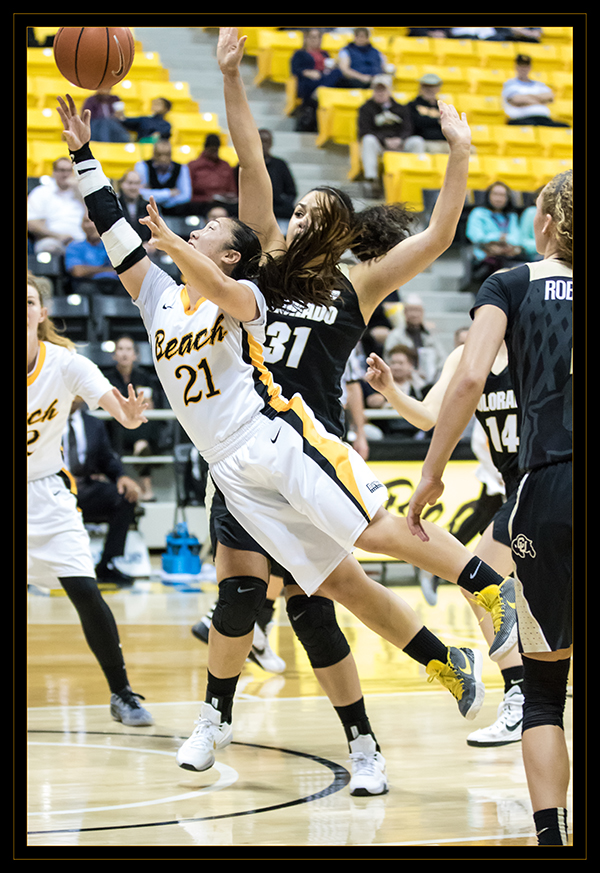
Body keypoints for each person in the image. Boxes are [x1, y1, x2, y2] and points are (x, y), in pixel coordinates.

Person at [57, 82, 516, 789]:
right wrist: (230, 78)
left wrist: (458, 156)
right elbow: (246, 164)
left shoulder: (345, 283)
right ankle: (229, 715)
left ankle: (468, 612)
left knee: (339, 575)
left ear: (338, 230)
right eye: (295, 209)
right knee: (265, 592)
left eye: (312, 212)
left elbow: (437, 237)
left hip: (296, 434)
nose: (297, 217)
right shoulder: (259, 262)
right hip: (233, 458)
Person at [406, 170, 573, 846]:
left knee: (545, 692)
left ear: (543, 222)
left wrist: (432, 474)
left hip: (550, 485)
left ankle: (552, 837)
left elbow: (470, 376)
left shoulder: (510, 283)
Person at [366, 338, 526, 748]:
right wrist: (391, 391)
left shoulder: (544, 338)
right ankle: (523, 695)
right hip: (518, 489)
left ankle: (523, 694)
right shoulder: (466, 355)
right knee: (484, 584)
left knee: (488, 584)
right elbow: (427, 417)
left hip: (550, 478)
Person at [27, 272, 153, 726]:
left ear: (41, 313)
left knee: (85, 591)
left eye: (28, 301)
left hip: (47, 491)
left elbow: (112, 402)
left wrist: (129, 416)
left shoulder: (64, 363)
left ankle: (122, 693)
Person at [63, 396, 141, 585]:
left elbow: (107, 458)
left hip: (85, 488)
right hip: (55, 488)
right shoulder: (44, 421)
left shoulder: (94, 424)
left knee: (124, 498)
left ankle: (108, 564)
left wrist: (121, 476)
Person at [102, 334, 172, 500]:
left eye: (128, 349)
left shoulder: (145, 377)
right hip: (115, 426)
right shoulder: (106, 378)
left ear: (135, 355)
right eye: (120, 349)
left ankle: (141, 446)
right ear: (114, 355)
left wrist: (146, 404)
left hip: (139, 426)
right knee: (117, 426)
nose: (124, 353)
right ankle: (141, 453)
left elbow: (153, 406)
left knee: (145, 422)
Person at [357, 74, 415, 198]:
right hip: (379, 144)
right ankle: (371, 180)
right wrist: (384, 140)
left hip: (399, 144)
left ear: (390, 91)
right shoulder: (366, 108)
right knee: (368, 140)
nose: (380, 93)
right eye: (377, 89)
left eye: (383, 89)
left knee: (417, 141)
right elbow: (364, 131)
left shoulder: (401, 108)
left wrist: (400, 140)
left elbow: (408, 128)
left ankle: (415, 176)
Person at [362, 343, 430, 440]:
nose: (396, 367)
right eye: (393, 363)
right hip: (384, 432)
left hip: (414, 432)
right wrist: (381, 398)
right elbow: (371, 401)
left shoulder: (420, 387)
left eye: (400, 363)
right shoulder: (378, 383)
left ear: (410, 365)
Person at [465, 182, 525, 286]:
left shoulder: (511, 216)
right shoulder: (478, 213)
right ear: (488, 196)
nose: (498, 198)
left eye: (502, 195)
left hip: (508, 255)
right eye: (495, 194)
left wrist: (503, 244)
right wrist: (499, 237)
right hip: (484, 256)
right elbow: (475, 236)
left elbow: (517, 238)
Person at [27, 157, 86, 255]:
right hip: (53, 240)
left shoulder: (81, 193)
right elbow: (31, 223)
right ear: (54, 172)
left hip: (82, 240)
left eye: (69, 170)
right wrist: (59, 236)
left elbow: (95, 218)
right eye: (62, 170)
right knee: (48, 248)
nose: (65, 174)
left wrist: (79, 191)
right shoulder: (41, 192)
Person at [383, 293, 447, 385]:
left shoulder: (430, 335)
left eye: (418, 310)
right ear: (404, 312)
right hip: (405, 381)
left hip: (431, 380)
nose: (414, 314)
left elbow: (442, 359)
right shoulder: (395, 335)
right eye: (411, 310)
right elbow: (388, 360)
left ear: (423, 312)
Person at [290, 28, 342, 132]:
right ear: (306, 38)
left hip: (323, 78)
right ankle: (319, 91)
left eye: (317, 37)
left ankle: (320, 91)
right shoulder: (300, 53)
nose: (314, 40)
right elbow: (295, 70)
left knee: (337, 72)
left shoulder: (325, 54)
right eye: (312, 37)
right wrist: (308, 72)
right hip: (308, 82)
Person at [502, 54, 570, 127]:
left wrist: (527, 98)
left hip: (543, 118)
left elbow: (550, 96)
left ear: (530, 67)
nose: (523, 69)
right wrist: (540, 100)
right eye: (521, 66)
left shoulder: (539, 84)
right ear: (516, 67)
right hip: (521, 118)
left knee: (565, 126)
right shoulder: (510, 84)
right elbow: (517, 99)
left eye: (526, 66)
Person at [64, 212, 123, 295]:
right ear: (82, 225)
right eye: (87, 221)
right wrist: (107, 269)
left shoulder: (115, 244)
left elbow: (126, 269)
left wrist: (89, 270)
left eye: (96, 221)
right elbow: (78, 272)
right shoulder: (74, 247)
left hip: (117, 286)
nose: (92, 225)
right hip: (89, 285)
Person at [134, 139, 192, 215]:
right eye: (159, 155)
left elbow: (186, 195)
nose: (163, 158)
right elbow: (140, 192)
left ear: (171, 155)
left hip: (173, 209)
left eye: (167, 155)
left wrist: (164, 203)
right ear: (154, 154)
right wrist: (168, 193)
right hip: (147, 208)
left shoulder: (181, 168)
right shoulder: (142, 166)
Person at [187, 134, 238, 217]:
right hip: (202, 204)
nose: (214, 154)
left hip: (224, 203)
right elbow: (189, 193)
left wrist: (227, 197)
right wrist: (208, 198)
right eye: (211, 150)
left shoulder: (225, 166)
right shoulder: (193, 166)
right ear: (206, 148)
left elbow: (232, 190)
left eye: (216, 150)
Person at [258, 129, 298, 221]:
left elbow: (291, 191)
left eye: (266, 142)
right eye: (261, 141)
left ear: (271, 143)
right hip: (253, 207)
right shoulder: (244, 166)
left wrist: (283, 201)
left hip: (278, 207)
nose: (263, 145)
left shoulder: (280, 164)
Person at [406, 73, 450, 155]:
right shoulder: (412, 105)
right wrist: (436, 121)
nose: (430, 89)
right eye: (426, 86)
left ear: (438, 88)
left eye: (433, 86)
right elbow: (416, 122)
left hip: (443, 141)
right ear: (421, 87)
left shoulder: (442, 107)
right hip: (425, 141)